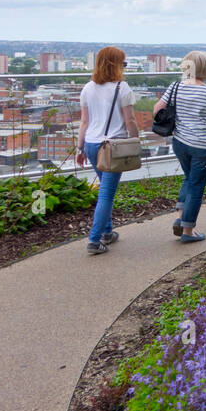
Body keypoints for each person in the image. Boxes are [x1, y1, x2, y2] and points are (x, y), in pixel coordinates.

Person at [153, 51, 206, 242]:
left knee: (189, 178)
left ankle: (181, 217)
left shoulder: (175, 86)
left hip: (180, 142)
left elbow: (157, 109)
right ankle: (188, 231)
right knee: (197, 186)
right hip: (202, 145)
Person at [77, 46, 139, 255]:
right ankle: (94, 240)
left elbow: (84, 122)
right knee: (106, 194)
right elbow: (130, 119)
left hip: (92, 144)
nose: (125, 67)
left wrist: (79, 148)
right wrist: (135, 141)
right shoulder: (122, 88)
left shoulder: (87, 88)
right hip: (113, 146)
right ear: (116, 65)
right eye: (124, 63)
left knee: (104, 187)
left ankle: (107, 232)